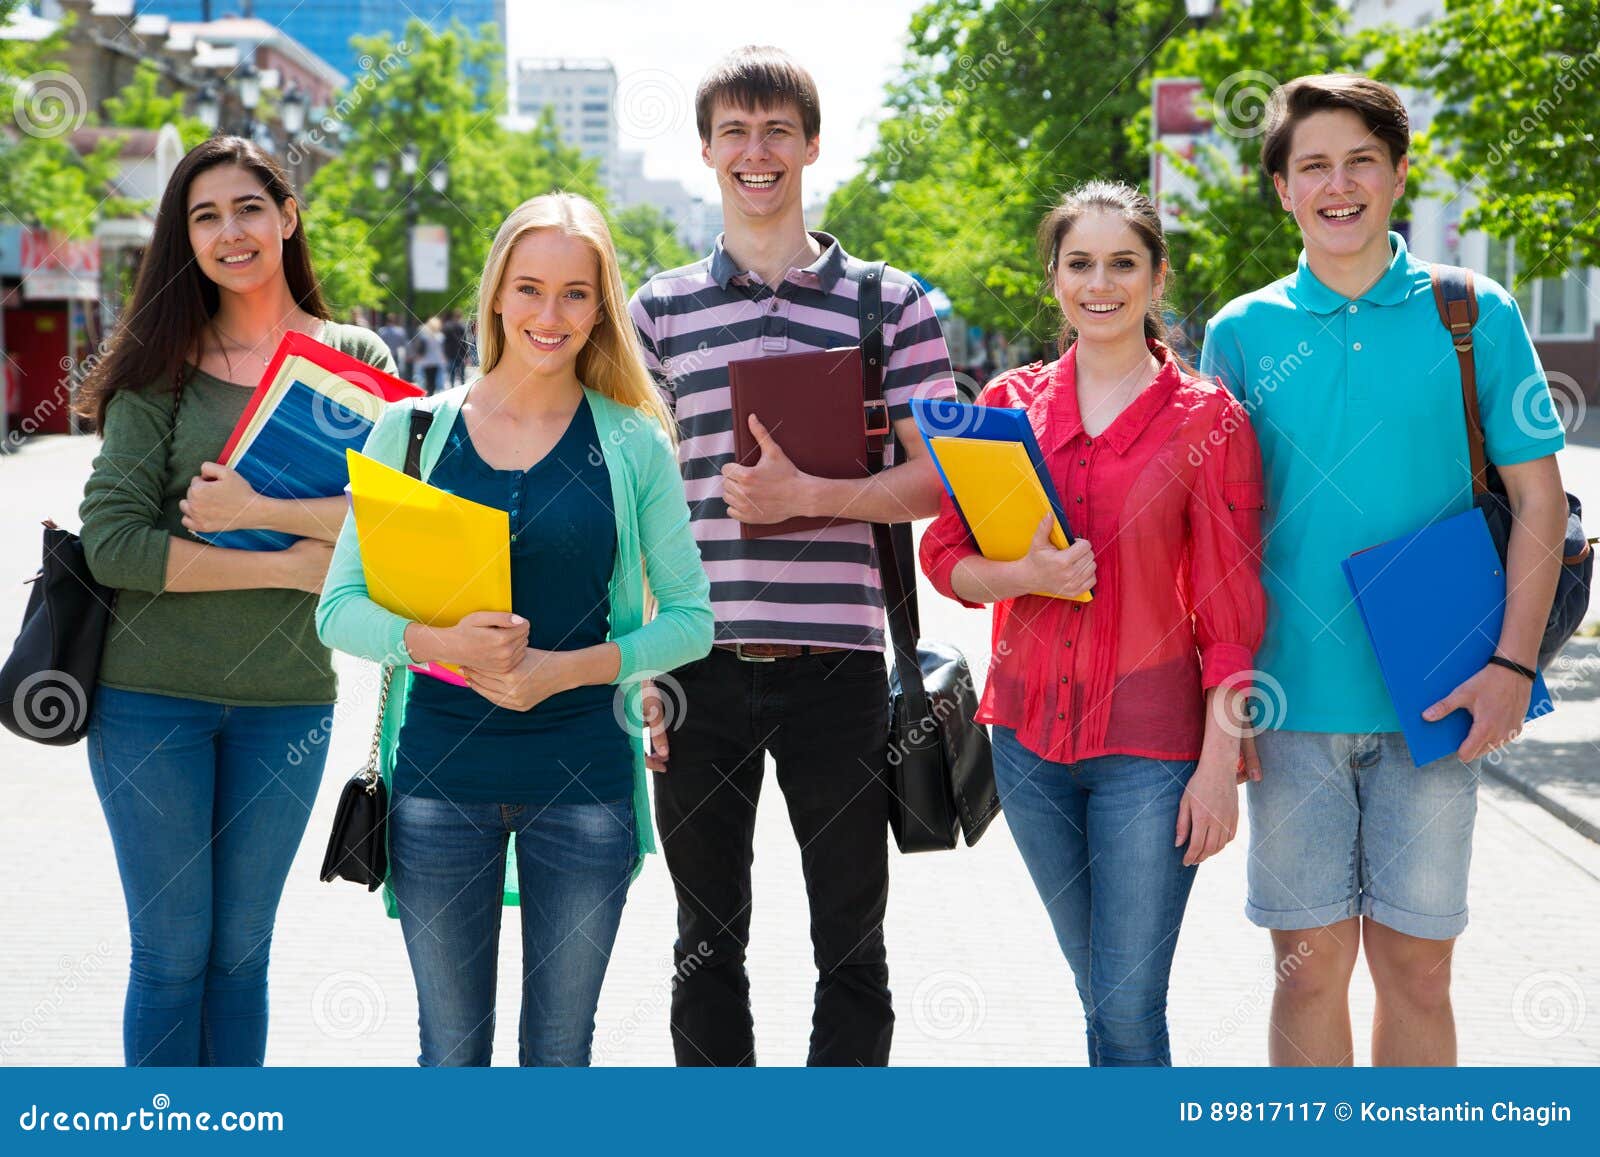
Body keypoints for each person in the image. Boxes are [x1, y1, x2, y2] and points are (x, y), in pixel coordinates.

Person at [1199, 75, 1569, 1067]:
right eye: (1314, 165)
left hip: (1441, 697)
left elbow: (1540, 503)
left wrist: (1513, 667)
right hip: (1289, 707)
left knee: (1418, 970)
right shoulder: (1241, 333)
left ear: (1399, 174)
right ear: (1282, 188)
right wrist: (1221, 705)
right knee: (1306, 972)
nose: (1340, 185)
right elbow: (1219, 533)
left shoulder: (1472, 312)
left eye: (1361, 160)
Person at [316, 192, 713, 1067]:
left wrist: (563, 670)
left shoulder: (633, 442)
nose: (549, 314)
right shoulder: (411, 432)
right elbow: (338, 607)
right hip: (437, 784)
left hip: (586, 786)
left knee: (560, 1055)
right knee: (451, 1053)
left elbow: (692, 619)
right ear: (496, 293)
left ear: (601, 308)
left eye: (575, 293)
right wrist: (441, 644)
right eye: (529, 287)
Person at [628, 45, 956, 1067]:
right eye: (734, 131)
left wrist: (809, 494)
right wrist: (639, 665)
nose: (756, 151)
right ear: (705, 151)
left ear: (811, 145)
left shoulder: (891, 304)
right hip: (694, 665)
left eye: (777, 130)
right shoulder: (656, 311)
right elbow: (632, 508)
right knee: (704, 940)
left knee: (852, 943)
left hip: (840, 671)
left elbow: (937, 482)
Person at [920, 181, 1266, 1066]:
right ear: (1055, 278)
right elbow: (944, 556)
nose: (1100, 283)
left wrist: (1219, 767)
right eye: (1080, 263)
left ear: (1157, 277)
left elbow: (1232, 615)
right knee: (1100, 995)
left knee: (1126, 1002)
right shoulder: (1009, 404)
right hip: (1027, 744)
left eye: (1122, 263)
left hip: (1150, 750)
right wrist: (1024, 576)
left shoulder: (1208, 420)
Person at [74, 135, 396, 1066]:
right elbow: (114, 543)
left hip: (286, 703)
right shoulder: (160, 362)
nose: (231, 232)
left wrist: (256, 513)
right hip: (148, 701)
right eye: (204, 216)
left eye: (249, 208)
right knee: (172, 955)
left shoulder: (352, 358)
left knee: (242, 956)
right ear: (186, 239)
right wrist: (291, 565)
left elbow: (387, 519)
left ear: (288, 216)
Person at [410, 315, 446, 394]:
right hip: (437, 360)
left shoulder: (425, 337)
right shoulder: (441, 336)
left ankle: (429, 392)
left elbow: (421, 349)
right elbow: (442, 350)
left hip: (426, 360)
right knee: (435, 378)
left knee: (427, 378)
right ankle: (433, 391)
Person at [378, 312, 409, 380]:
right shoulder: (400, 331)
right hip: (395, 354)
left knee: (385, 371)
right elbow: (404, 344)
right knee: (395, 371)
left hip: (385, 354)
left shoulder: (382, 331)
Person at [442, 308, 468, 388]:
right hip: (461, 352)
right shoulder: (462, 326)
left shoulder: (447, 326)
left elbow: (445, 341)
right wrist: (466, 355)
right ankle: (463, 387)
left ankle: (452, 386)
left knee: (452, 372)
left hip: (450, 353)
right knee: (462, 373)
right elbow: (465, 341)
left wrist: (445, 353)